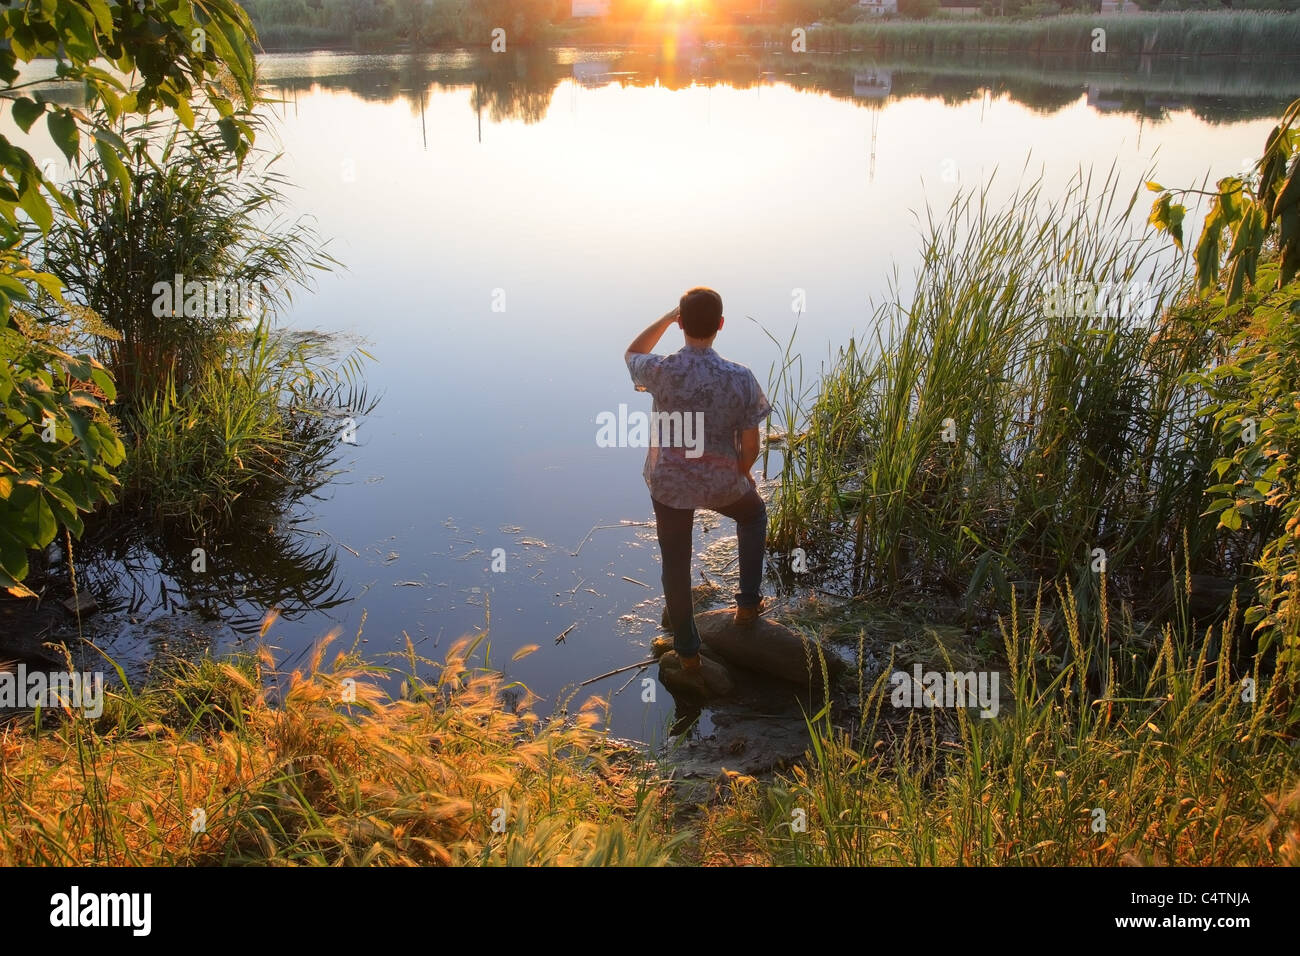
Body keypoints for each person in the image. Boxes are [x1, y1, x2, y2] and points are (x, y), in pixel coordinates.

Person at [624, 287, 771, 686]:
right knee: (753, 515)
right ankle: (746, 606)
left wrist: (667, 317)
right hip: (722, 481)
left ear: (682, 324)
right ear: (721, 326)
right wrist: (739, 473)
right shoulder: (740, 377)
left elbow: (631, 352)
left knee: (675, 560)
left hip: (669, 484)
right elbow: (752, 445)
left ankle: (688, 654)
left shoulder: (663, 370)